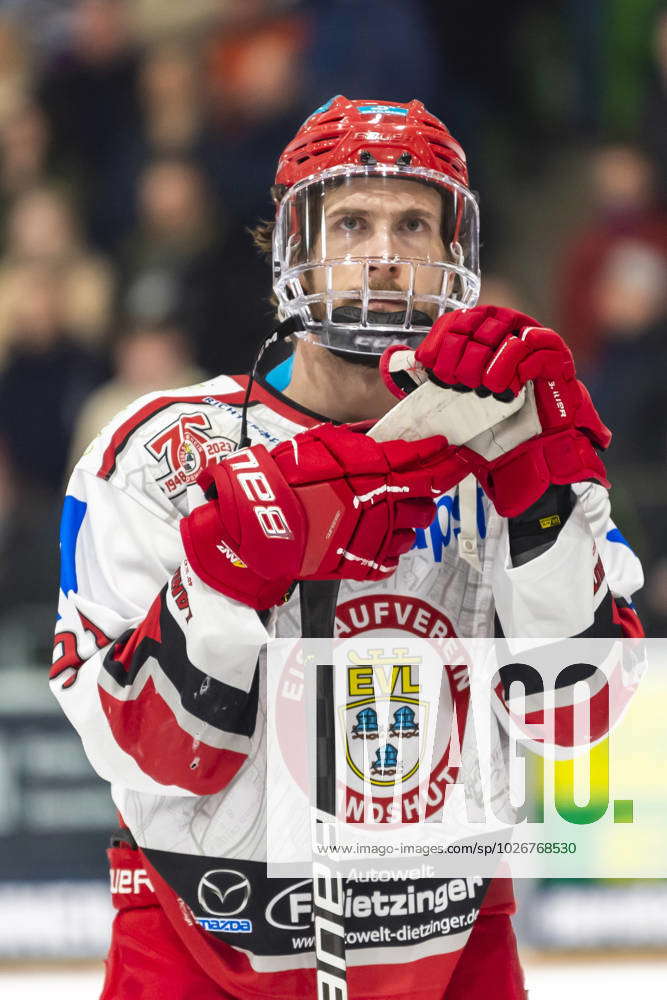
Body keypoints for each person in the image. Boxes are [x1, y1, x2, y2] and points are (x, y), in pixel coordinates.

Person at [51, 97, 644, 999]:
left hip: (450, 946)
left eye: (414, 224)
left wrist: (539, 507)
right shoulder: (166, 455)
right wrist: (225, 584)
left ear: (455, 254)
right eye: (351, 222)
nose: (382, 254)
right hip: (198, 945)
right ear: (292, 247)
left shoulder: (512, 442)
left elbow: (577, 728)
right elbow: (147, 757)